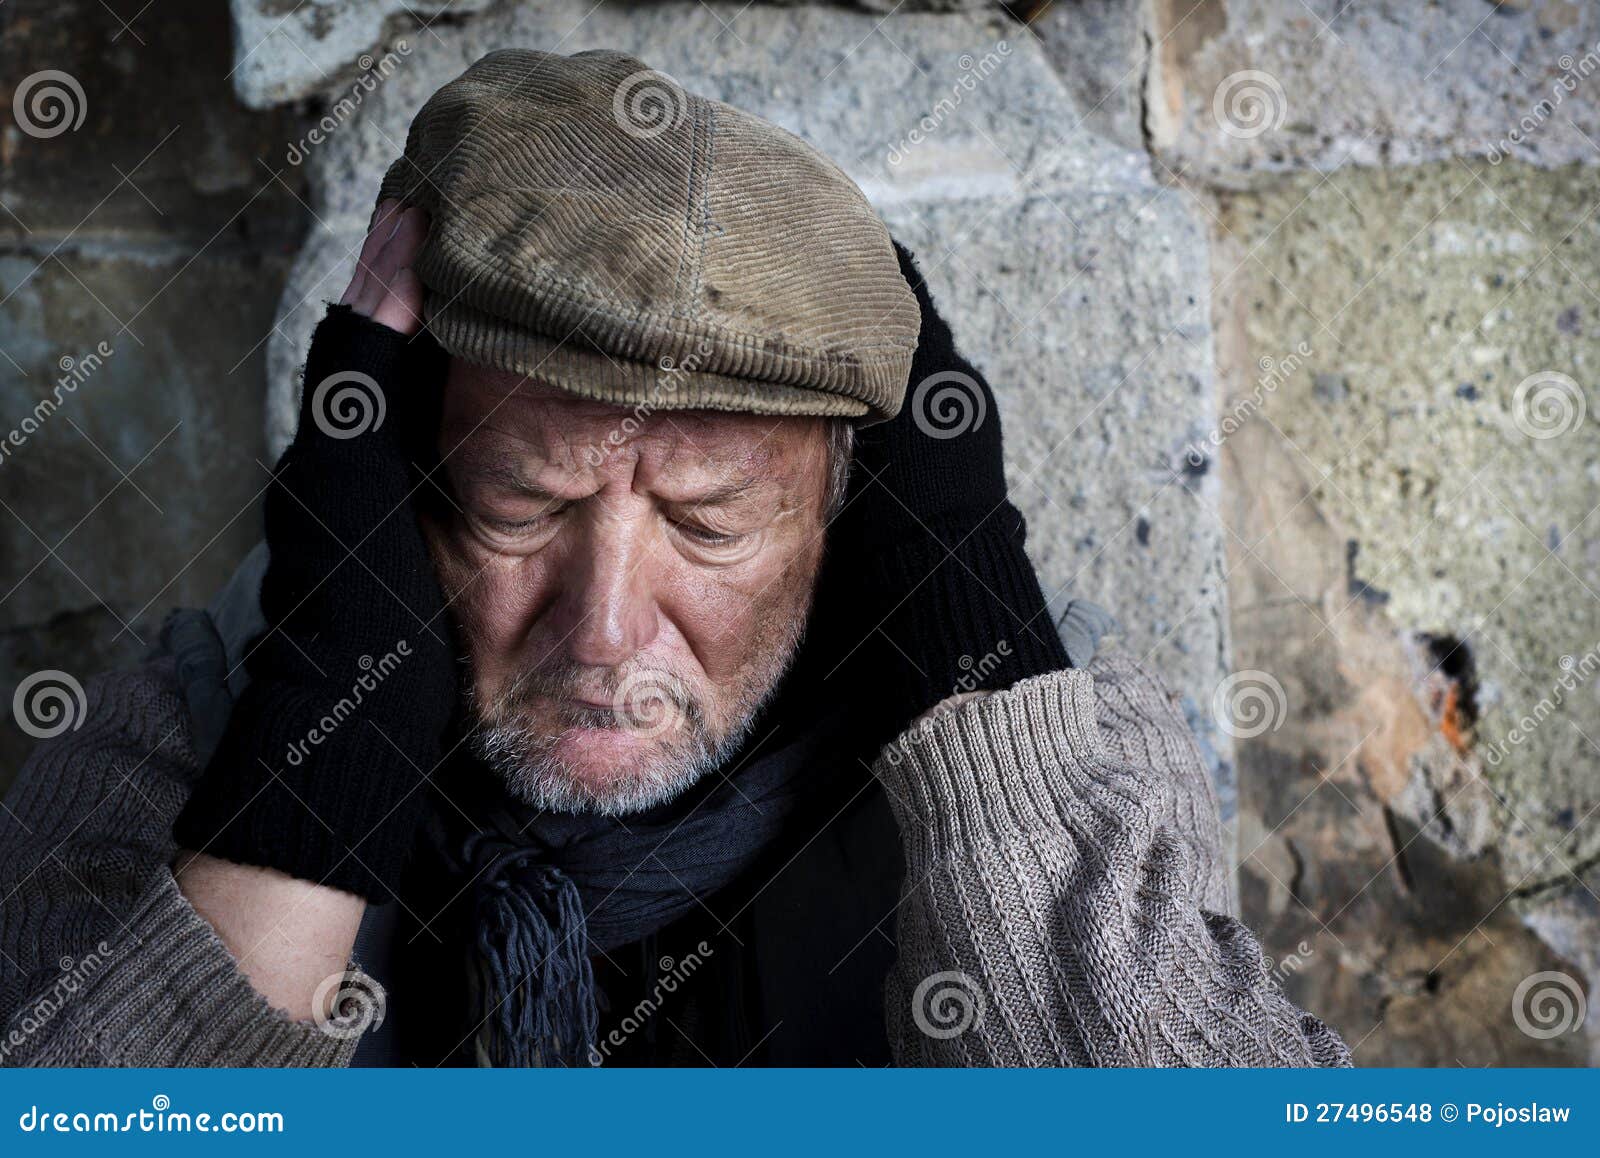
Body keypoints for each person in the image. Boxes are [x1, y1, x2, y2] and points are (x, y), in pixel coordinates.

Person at [0, 48, 1349, 1068]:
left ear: (838, 507)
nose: (602, 632)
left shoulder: (1063, 759)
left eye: (707, 522)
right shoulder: (175, 736)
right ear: (400, 480)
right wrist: (310, 775)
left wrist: (967, 621)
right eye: (521, 506)